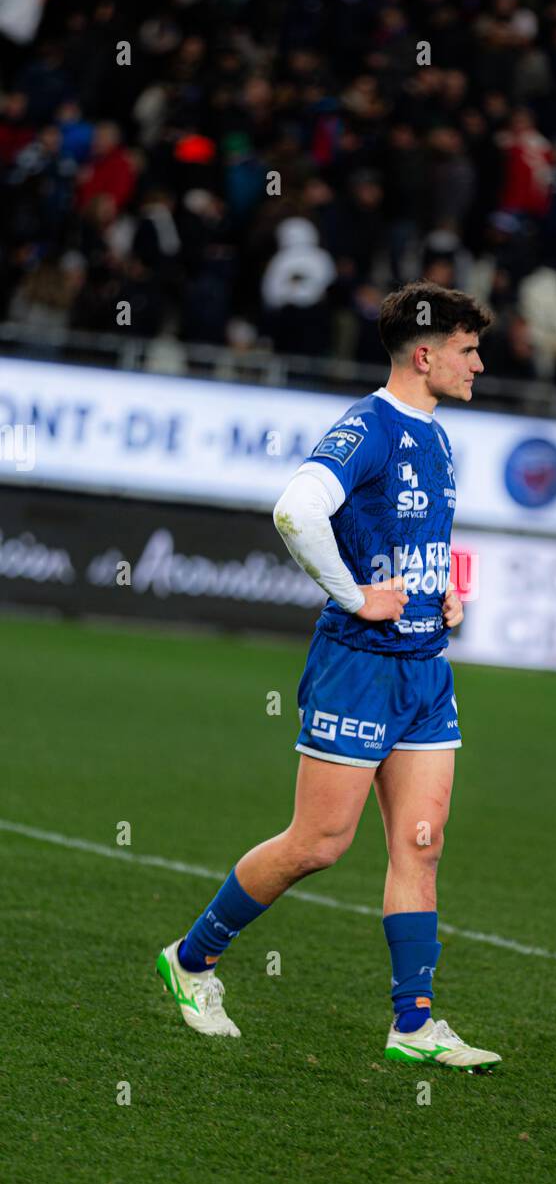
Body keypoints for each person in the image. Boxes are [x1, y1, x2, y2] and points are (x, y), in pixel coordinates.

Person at [155, 281, 502, 1073]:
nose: (478, 363)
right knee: (317, 843)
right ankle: (192, 960)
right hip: (357, 668)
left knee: (422, 842)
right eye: (466, 349)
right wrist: (353, 595)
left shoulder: (439, 436)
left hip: (423, 671)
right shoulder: (367, 427)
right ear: (424, 354)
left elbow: (412, 538)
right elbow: (294, 511)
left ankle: (413, 1023)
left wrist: (441, 590)